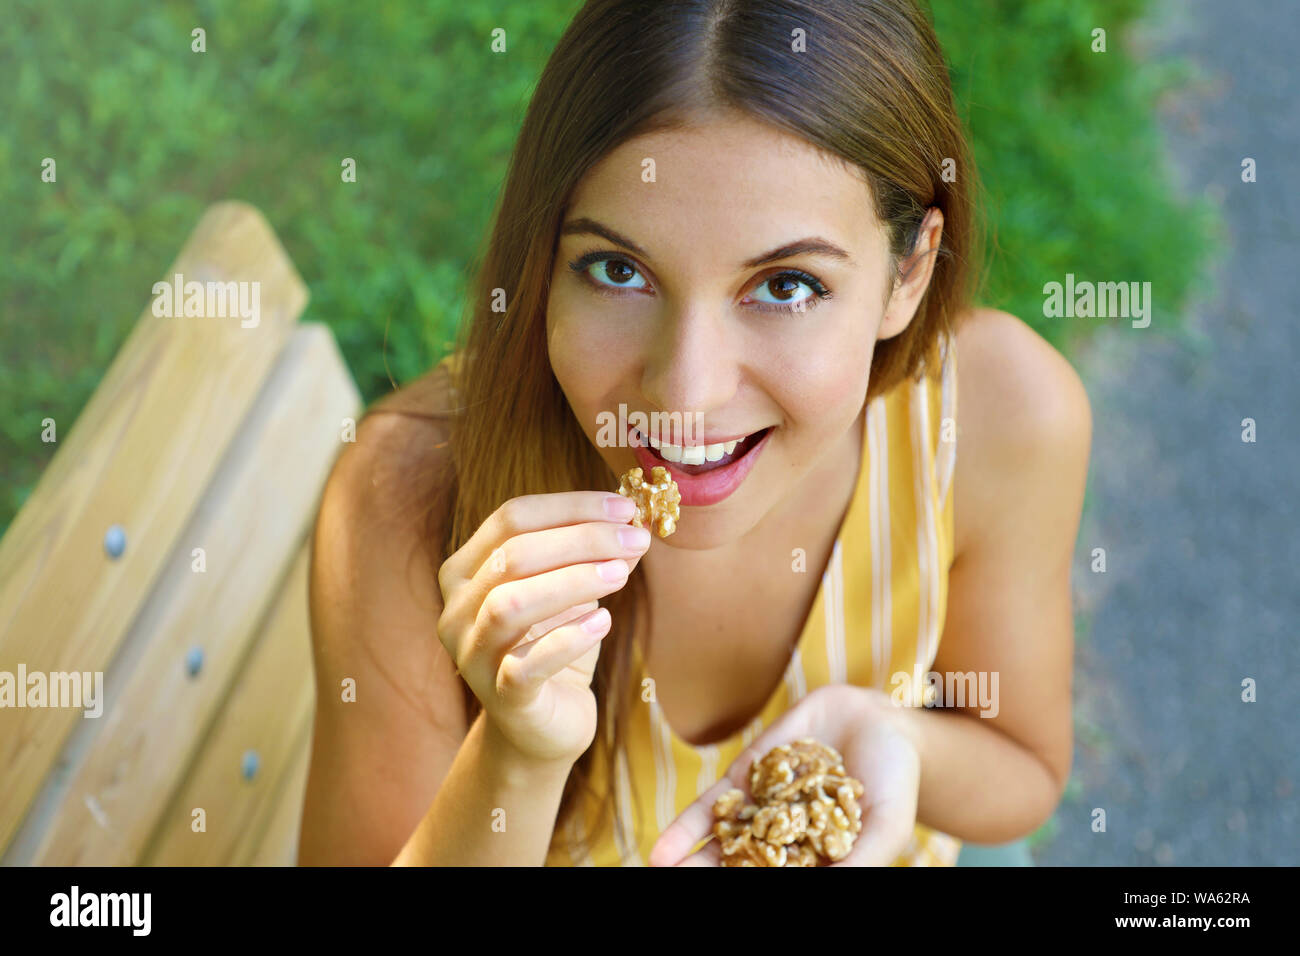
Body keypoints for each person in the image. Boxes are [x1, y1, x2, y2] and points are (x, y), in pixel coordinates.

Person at [298, 0, 1091, 867]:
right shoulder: (405, 496)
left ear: (908, 272)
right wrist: (517, 755)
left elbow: (1023, 764)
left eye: (786, 285)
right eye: (618, 270)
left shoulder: (997, 417)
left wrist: (899, 742)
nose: (687, 390)